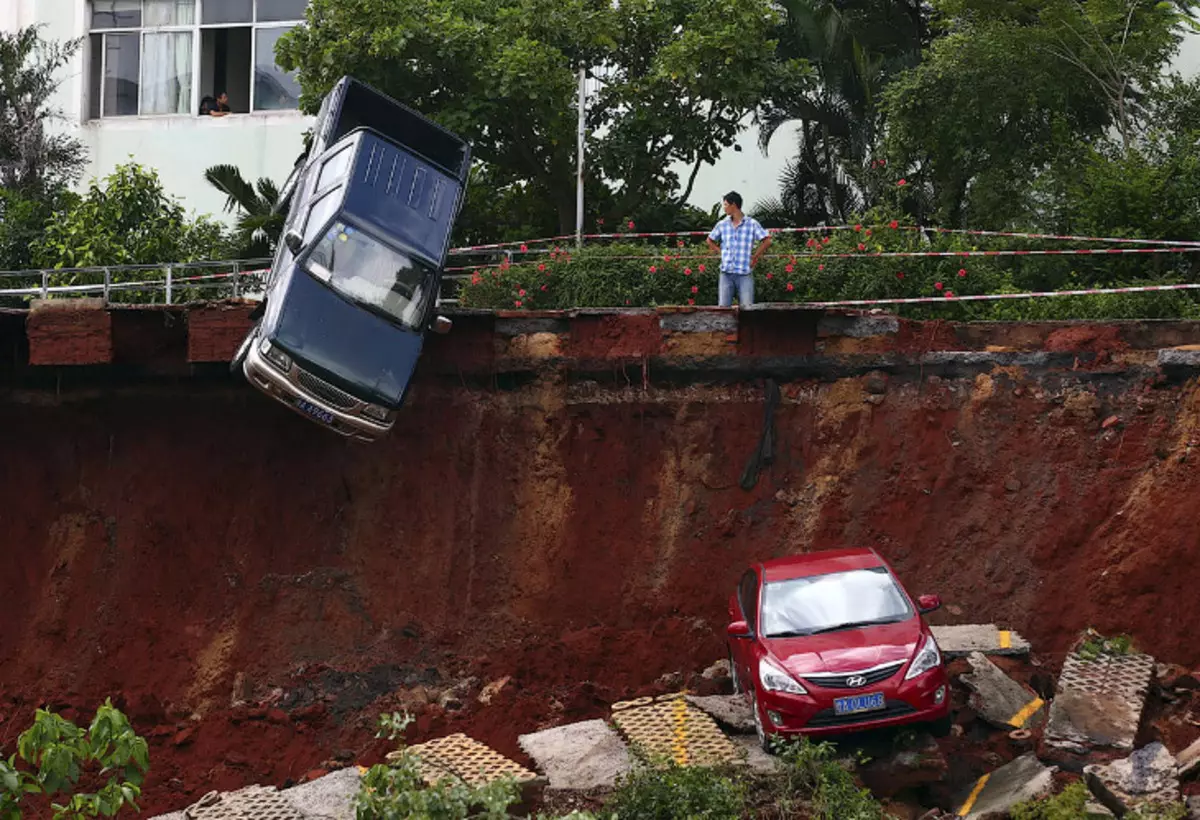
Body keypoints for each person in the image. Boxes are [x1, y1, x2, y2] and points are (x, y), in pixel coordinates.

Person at [706, 191, 771, 307]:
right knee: (723, 308)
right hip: (726, 272)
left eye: (725, 204)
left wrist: (755, 257)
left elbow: (767, 241)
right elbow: (709, 240)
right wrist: (721, 253)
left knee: (747, 307)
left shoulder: (752, 224)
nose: (724, 208)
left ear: (733, 205)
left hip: (744, 271)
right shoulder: (722, 224)